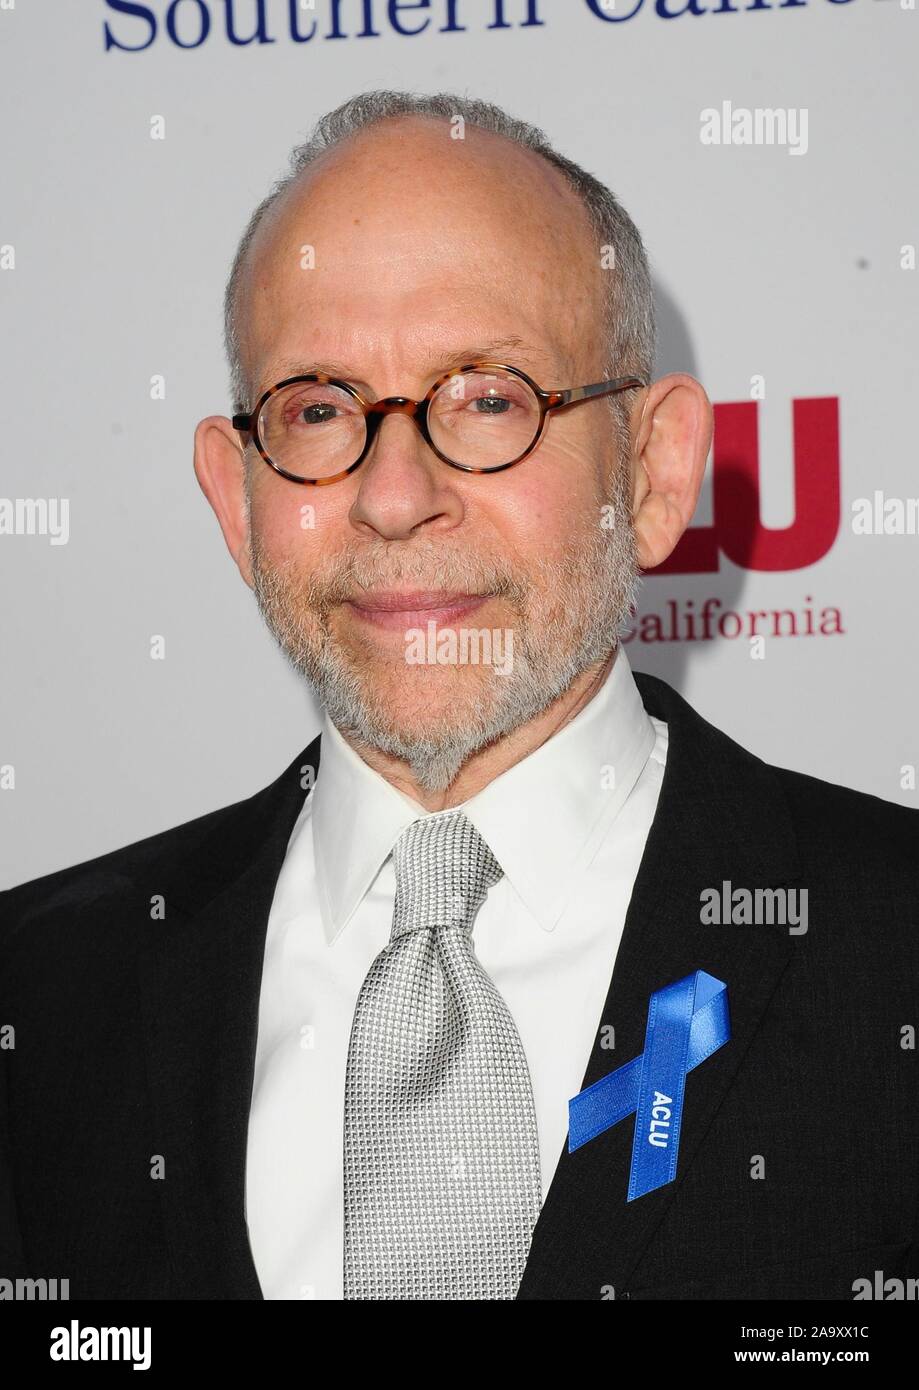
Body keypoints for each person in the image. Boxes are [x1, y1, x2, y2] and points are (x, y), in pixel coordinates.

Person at [2, 90, 917, 1302]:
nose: (393, 494)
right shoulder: (40, 1000)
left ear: (651, 472)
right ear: (236, 503)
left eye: (488, 398)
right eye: (317, 412)